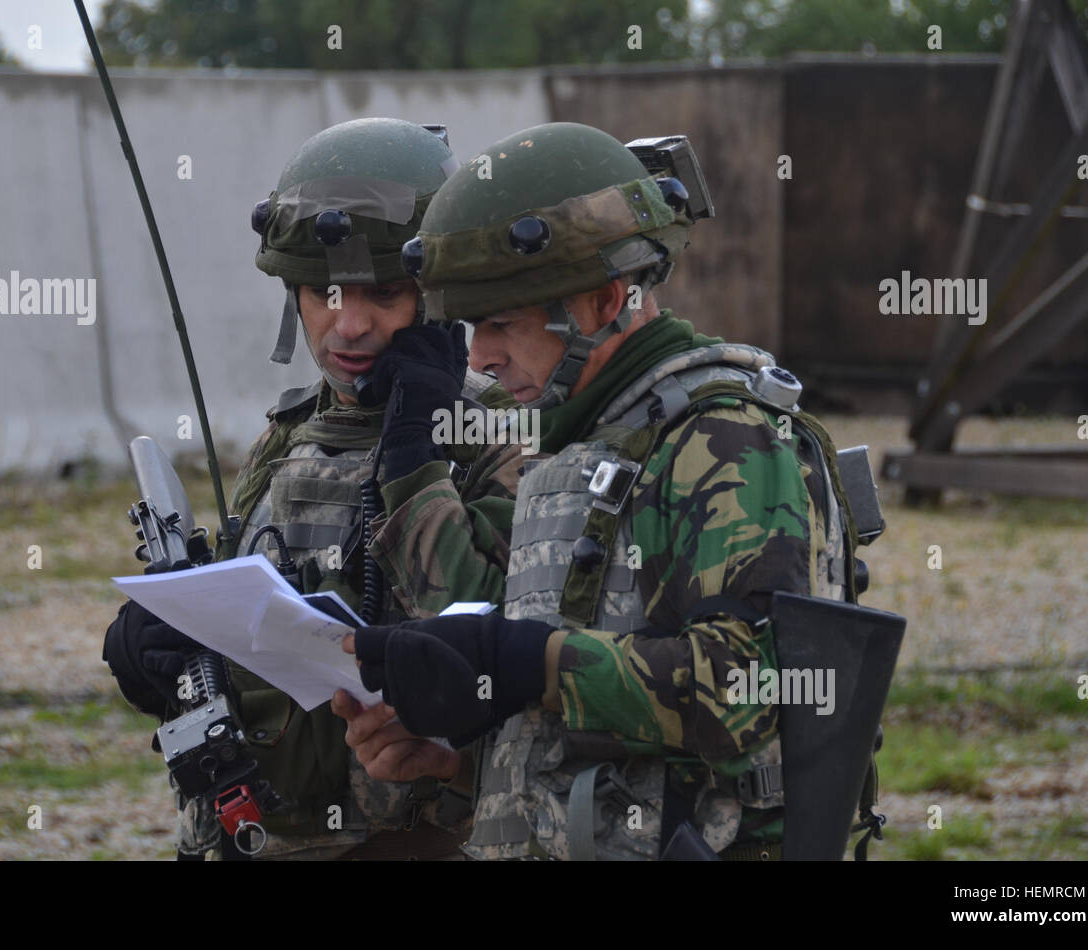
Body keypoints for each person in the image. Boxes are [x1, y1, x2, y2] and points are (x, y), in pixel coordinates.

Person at [339, 121, 863, 860]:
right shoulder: (580, 450)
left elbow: (749, 692)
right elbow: (602, 752)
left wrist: (523, 659)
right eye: (466, 328)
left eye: (500, 324)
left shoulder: (725, 438)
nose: (480, 359)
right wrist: (458, 768)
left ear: (606, 300)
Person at [102, 117, 523, 860]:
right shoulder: (291, 431)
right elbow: (256, 611)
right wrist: (160, 651)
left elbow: (494, 650)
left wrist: (413, 457)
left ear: (436, 297)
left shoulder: (503, 434)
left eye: (385, 295)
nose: (348, 325)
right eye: (323, 294)